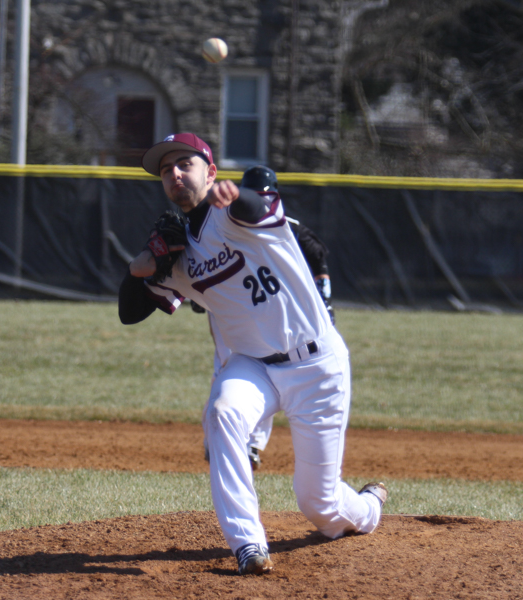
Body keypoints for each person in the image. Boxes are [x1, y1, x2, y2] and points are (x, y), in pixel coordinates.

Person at [118, 133, 386, 576]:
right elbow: (129, 312)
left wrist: (236, 195)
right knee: (221, 411)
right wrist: (139, 265)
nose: (175, 174)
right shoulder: (177, 251)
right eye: (166, 170)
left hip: (316, 366)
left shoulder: (237, 213)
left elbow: (255, 208)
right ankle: (247, 543)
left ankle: (369, 508)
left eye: (185, 163)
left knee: (320, 508)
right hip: (252, 365)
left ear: (211, 171)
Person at [197, 165, 336, 471]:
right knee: (227, 371)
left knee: (266, 367)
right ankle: (222, 440)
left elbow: (319, 257)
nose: (260, 201)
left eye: (266, 196)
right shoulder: (223, 225)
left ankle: (251, 444)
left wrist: (323, 298)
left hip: (275, 315)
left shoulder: (287, 225)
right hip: (231, 314)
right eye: (255, 195)